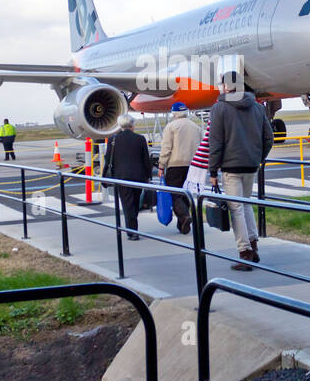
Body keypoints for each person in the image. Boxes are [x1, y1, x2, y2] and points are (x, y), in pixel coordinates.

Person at [207, 71, 274, 270]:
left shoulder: (219, 108)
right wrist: (258, 158)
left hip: (231, 166)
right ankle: (253, 245)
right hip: (251, 165)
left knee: (236, 209)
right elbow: (268, 138)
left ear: (227, 87)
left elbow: (215, 142)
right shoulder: (257, 107)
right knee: (246, 205)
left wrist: (212, 171)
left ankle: (245, 252)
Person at [102, 114, 152, 239]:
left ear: (120, 125)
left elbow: (108, 159)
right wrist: (148, 175)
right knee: (135, 203)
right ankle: (132, 228)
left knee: (127, 204)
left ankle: (132, 230)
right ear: (132, 125)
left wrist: (104, 177)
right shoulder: (140, 138)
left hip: (121, 176)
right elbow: (146, 159)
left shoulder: (113, 140)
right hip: (138, 176)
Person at [158, 102, 202, 234]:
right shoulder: (196, 127)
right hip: (192, 164)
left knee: (174, 193)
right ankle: (182, 225)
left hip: (175, 164)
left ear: (174, 113)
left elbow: (166, 148)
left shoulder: (171, 126)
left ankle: (184, 216)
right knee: (186, 193)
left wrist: (161, 165)